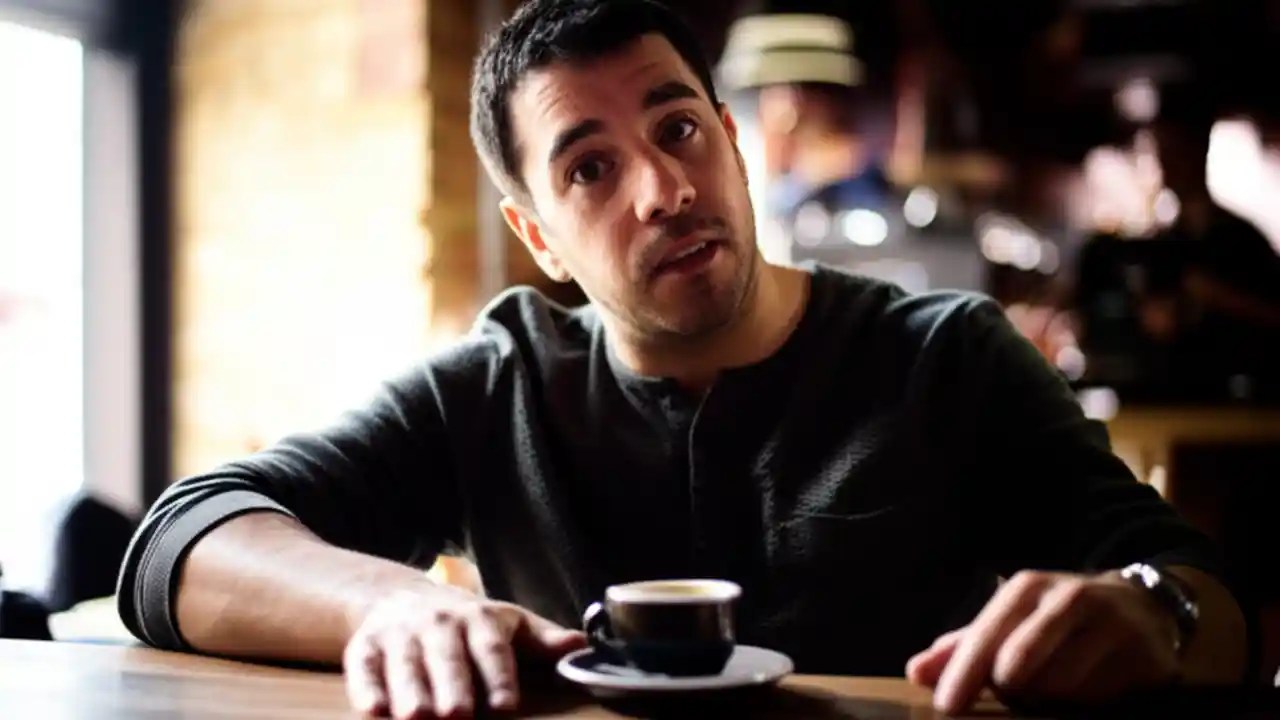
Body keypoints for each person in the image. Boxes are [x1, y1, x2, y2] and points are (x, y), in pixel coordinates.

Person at [117, 1, 1252, 717]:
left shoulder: (944, 357)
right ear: (535, 238)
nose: (661, 189)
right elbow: (181, 540)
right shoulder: (497, 382)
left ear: (730, 143)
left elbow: (1218, 598)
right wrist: (395, 607)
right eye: (587, 169)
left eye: (676, 129)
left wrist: (1155, 614)